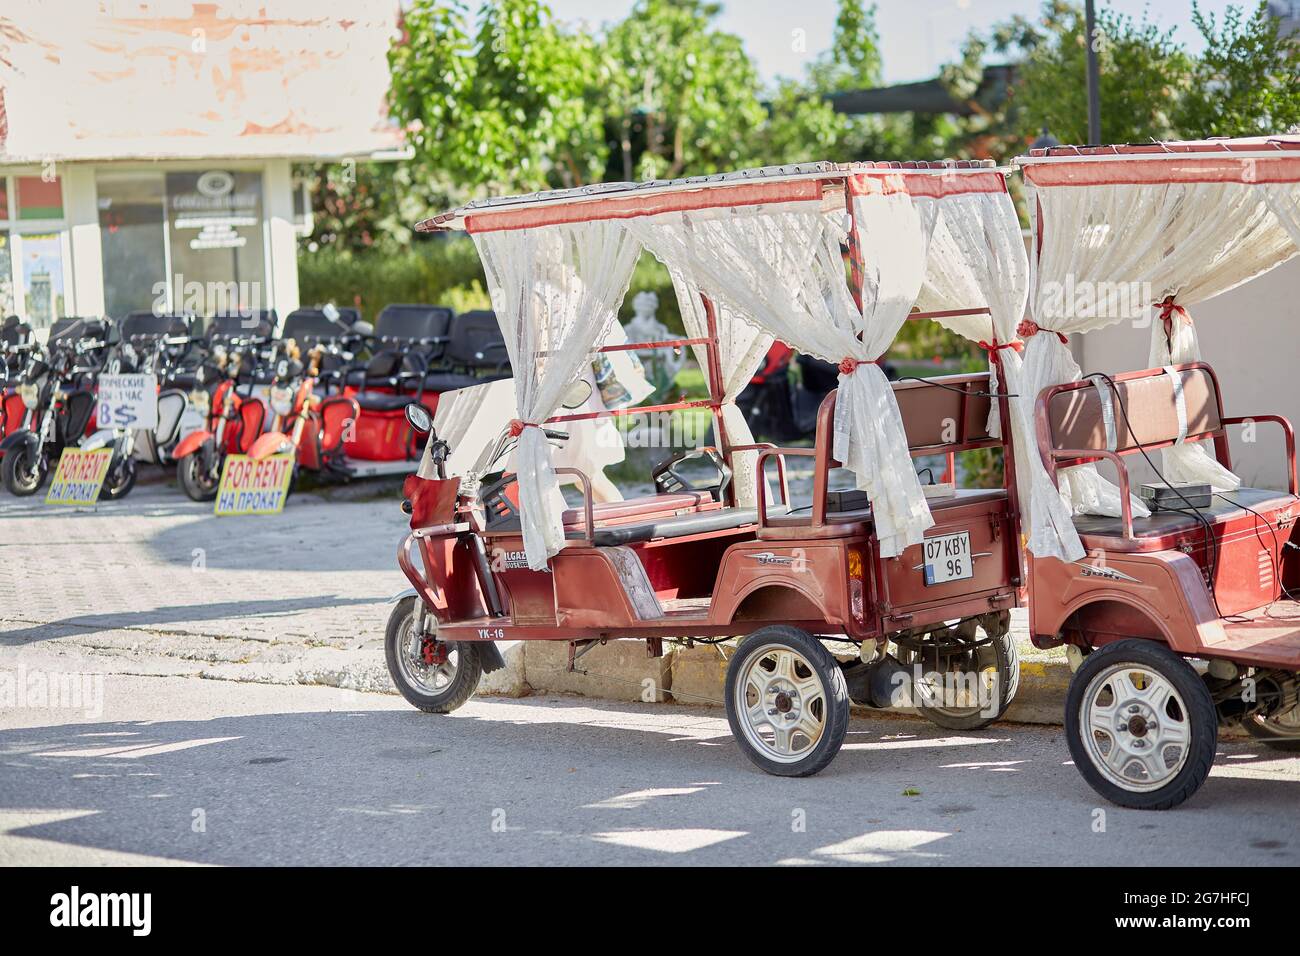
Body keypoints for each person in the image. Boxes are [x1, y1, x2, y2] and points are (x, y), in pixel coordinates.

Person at [550, 320, 653, 503]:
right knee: (584, 476)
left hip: (576, 395)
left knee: (587, 474)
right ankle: (622, 521)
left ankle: (624, 521)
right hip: (581, 393)